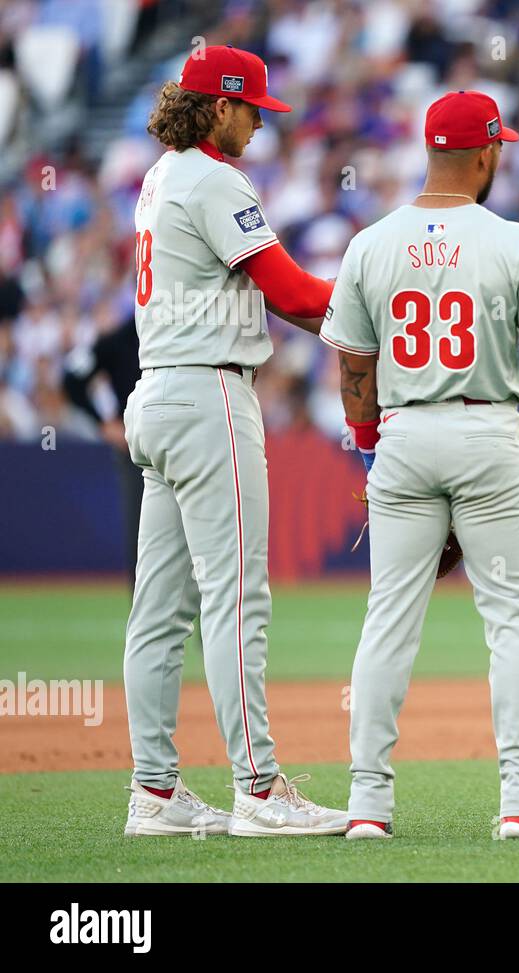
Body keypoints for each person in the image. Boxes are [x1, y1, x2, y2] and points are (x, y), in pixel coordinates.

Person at [322, 90, 519, 841]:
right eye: (500, 148)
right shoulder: (514, 240)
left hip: (403, 434)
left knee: (387, 622)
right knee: (512, 619)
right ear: (487, 152)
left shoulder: (371, 241)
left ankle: (368, 805)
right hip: (486, 430)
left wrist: (373, 449)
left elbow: (353, 367)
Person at [123, 45, 348, 837]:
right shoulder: (214, 177)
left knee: (159, 610)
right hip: (209, 393)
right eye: (251, 107)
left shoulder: (161, 175)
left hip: (158, 394)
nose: (258, 123)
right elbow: (291, 292)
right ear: (219, 105)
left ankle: (154, 792)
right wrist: (383, 300)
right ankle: (258, 788)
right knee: (236, 597)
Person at [62, 314, 142, 587]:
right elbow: (72, 378)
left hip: (181, 442)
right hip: (135, 449)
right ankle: (142, 608)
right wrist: (104, 424)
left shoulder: (180, 330)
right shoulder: (120, 339)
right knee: (141, 532)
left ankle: (203, 610)